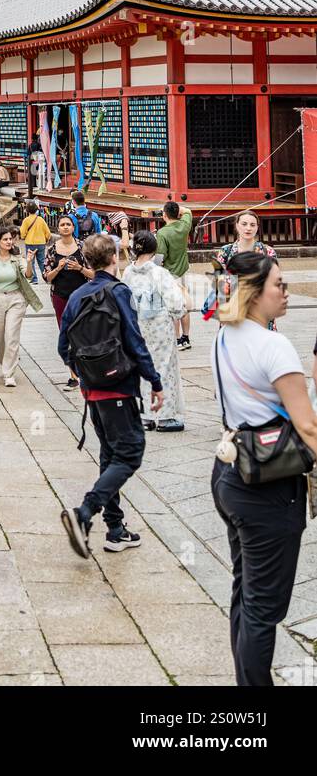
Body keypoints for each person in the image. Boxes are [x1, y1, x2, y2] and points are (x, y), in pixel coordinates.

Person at [210, 251, 317, 687]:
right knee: (263, 609)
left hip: (230, 472)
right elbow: (307, 423)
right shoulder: (273, 345)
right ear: (254, 293)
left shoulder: (225, 333)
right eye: (279, 285)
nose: (286, 292)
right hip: (269, 484)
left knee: (245, 591)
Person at [58, 234, 163, 559]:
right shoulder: (119, 292)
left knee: (109, 456)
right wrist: (155, 381)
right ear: (114, 258)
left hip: (93, 389)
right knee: (130, 452)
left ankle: (115, 529)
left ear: (87, 260)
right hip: (119, 384)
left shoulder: (77, 296)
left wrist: (84, 371)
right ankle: (84, 512)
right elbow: (134, 340)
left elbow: (63, 346)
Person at [121, 230, 186, 431]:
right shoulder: (159, 273)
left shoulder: (128, 272)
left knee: (141, 367)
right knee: (163, 368)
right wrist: (179, 312)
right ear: (154, 249)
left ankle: (146, 416)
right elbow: (176, 303)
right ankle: (165, 417)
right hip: (159, 327)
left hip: (137, 327)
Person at [0, 226, 42, 387]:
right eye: (5, 239)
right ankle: (4, 360)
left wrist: (29, 263)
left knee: (11, 336)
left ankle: (9, 374)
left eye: (10, 239)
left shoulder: (17, 259)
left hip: (16, 299)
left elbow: (28, 276)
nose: (9, 242)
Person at [203, 210, 278, 323]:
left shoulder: (268, 252)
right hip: (233, 310)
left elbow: (274, 281)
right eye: (244, 224)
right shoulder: (226, 251)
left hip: (260, 310)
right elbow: (220, 282)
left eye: (252, 225)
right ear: (237, 225)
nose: (248, 228)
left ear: (257, 227)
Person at [44, 213, 93, 379]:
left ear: (73, 228)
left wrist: (79, 268)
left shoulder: (83, 247)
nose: (65, 227)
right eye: (62, 224)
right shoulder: (52, 249)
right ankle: (73, 375)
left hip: (82, 297)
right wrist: (58, 268)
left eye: (68, 224)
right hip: (60, 295)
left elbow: (94, 274)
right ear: (58, 228)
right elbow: (46, 277)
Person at [155, 201, 193, 349]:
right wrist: (179, 210)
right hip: (183, 270)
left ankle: (177, 339)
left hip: (170, 273)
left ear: (164, 215)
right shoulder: (184, 225)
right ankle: (186, 337)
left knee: (173, 307)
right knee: (183, 305)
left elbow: (160, 256)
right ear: (178, 214)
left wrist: (155, 269)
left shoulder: (163, 233)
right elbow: (188, 210)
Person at [19, 201, 50, 283]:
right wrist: (46, 239)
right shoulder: (41, 220)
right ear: (36, 209)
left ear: (27, 210)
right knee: (42, 261)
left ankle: (34, 279)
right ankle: (47, 277)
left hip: (30, 243)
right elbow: (48, 233)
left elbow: (22, 233)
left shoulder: (26, 220)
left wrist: (23, 237)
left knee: (31, 262)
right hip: (41, 243)